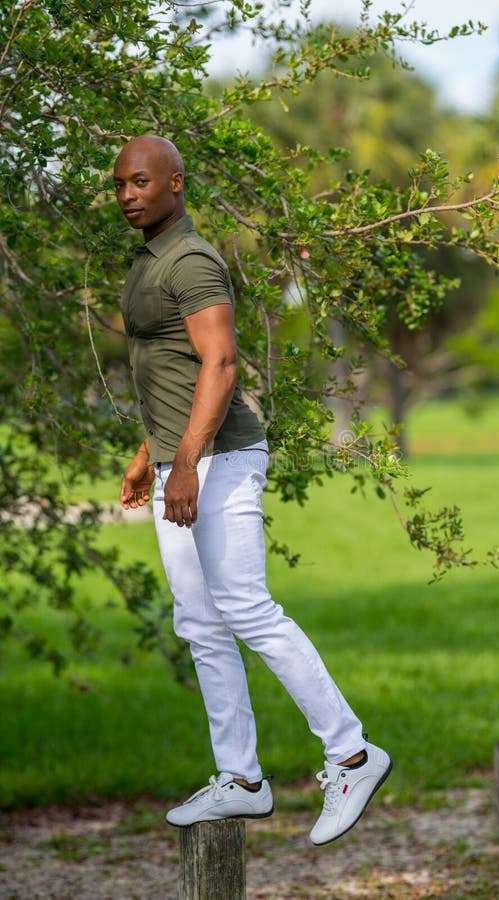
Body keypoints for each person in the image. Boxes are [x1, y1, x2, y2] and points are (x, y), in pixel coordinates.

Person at [113, 135, 392, 845]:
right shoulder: (147, 260)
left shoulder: (192, 260)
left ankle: (352, 754)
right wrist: (151, 456)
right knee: (200, 624)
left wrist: (185, 462)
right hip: (183, 459)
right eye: (120, 184)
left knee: (245, 606)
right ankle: (240, 781)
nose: (127, 194)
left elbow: (222, 363)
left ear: (176, 183)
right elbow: (171, 370)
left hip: (220, 460)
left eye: (141, 181)